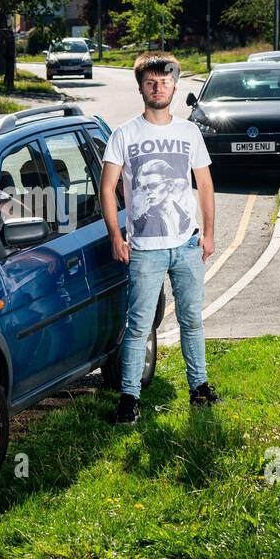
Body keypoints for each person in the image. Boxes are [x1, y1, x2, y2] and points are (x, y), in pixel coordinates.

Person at [100, 51, 218, 424]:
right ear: (141, 88)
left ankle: (199, 388)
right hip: (144, 250)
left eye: (164, 81)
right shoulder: (125, 134)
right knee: (138, 325)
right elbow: (107, 188)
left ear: (174, 86)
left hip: (186, 244)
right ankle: (130, 399)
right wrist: (115, 235)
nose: (158, 87)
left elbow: (205, 185)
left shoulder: (189, 132)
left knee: (192, 320)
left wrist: (209, 234)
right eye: (151, 82)